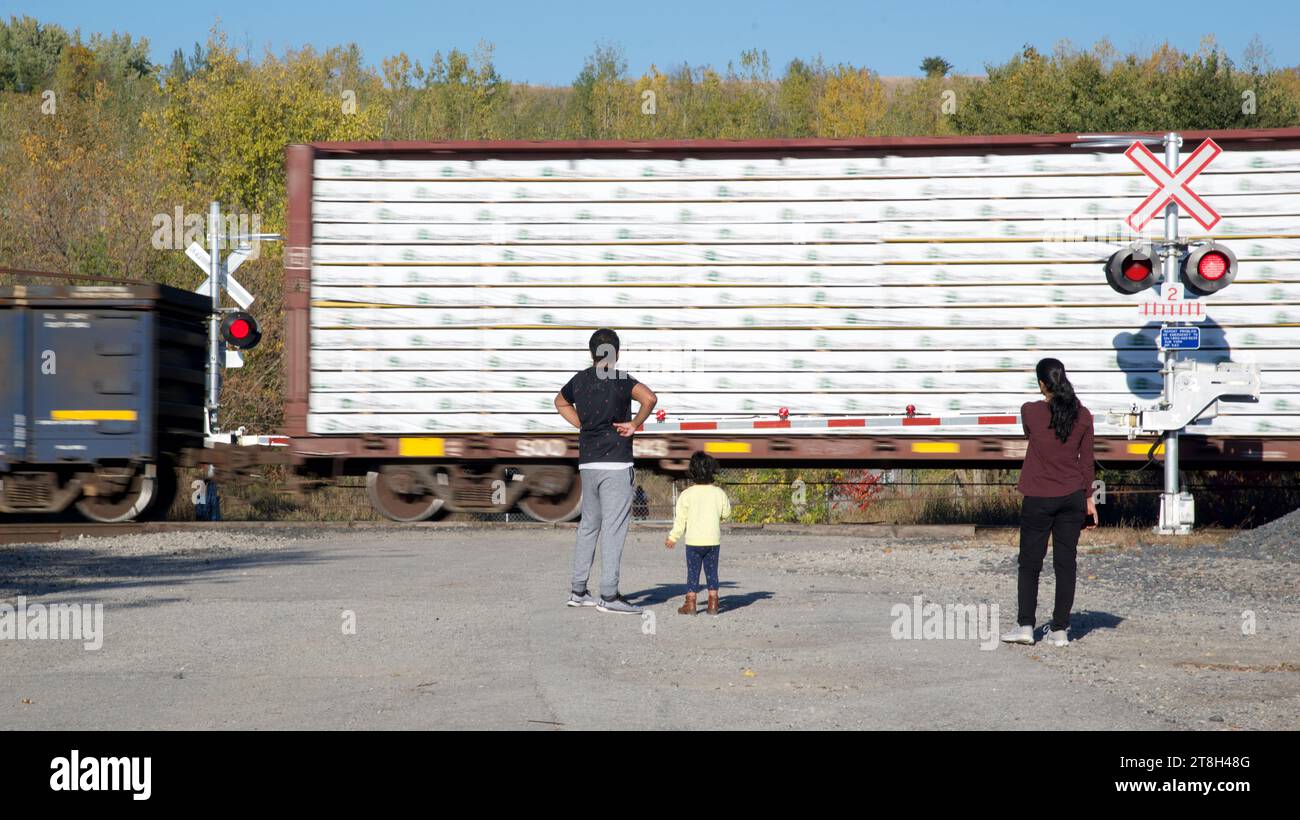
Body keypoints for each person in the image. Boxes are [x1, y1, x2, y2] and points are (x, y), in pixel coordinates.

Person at [555, 329, 657, 615]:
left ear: (590, 353)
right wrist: (634, 424)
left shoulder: (579, 380)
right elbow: (649, 398)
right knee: (613, 528)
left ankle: (578, 591)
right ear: (617, 353)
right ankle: (609, 596)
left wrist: (582, 424)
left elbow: (559, 402)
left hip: (588, 462)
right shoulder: (622, 380)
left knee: (589, 525)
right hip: (615, 463)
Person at [1002, 357, 1097, 648]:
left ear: (1042, 384)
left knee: (1030, 563)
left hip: (1039, 496)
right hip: (1072, 497)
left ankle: (1026, 627)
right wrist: (1089, 500)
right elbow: (1087, 463)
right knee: (1066, 564)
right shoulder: (1083, 416)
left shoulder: (1030, 411)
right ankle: (1059, 631)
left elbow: (1032, 435)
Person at [664, 452, 732, 616]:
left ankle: (691, 604)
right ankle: (713, 603)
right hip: (713, 541)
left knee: (693, 573)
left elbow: (681, 520)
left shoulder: (686, 495)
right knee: (712, 571)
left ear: (692, 472)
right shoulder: (719, 493)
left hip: (693, 542)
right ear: (712, 471)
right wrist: (716, 518)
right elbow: (726, 513)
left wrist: (673, 537)